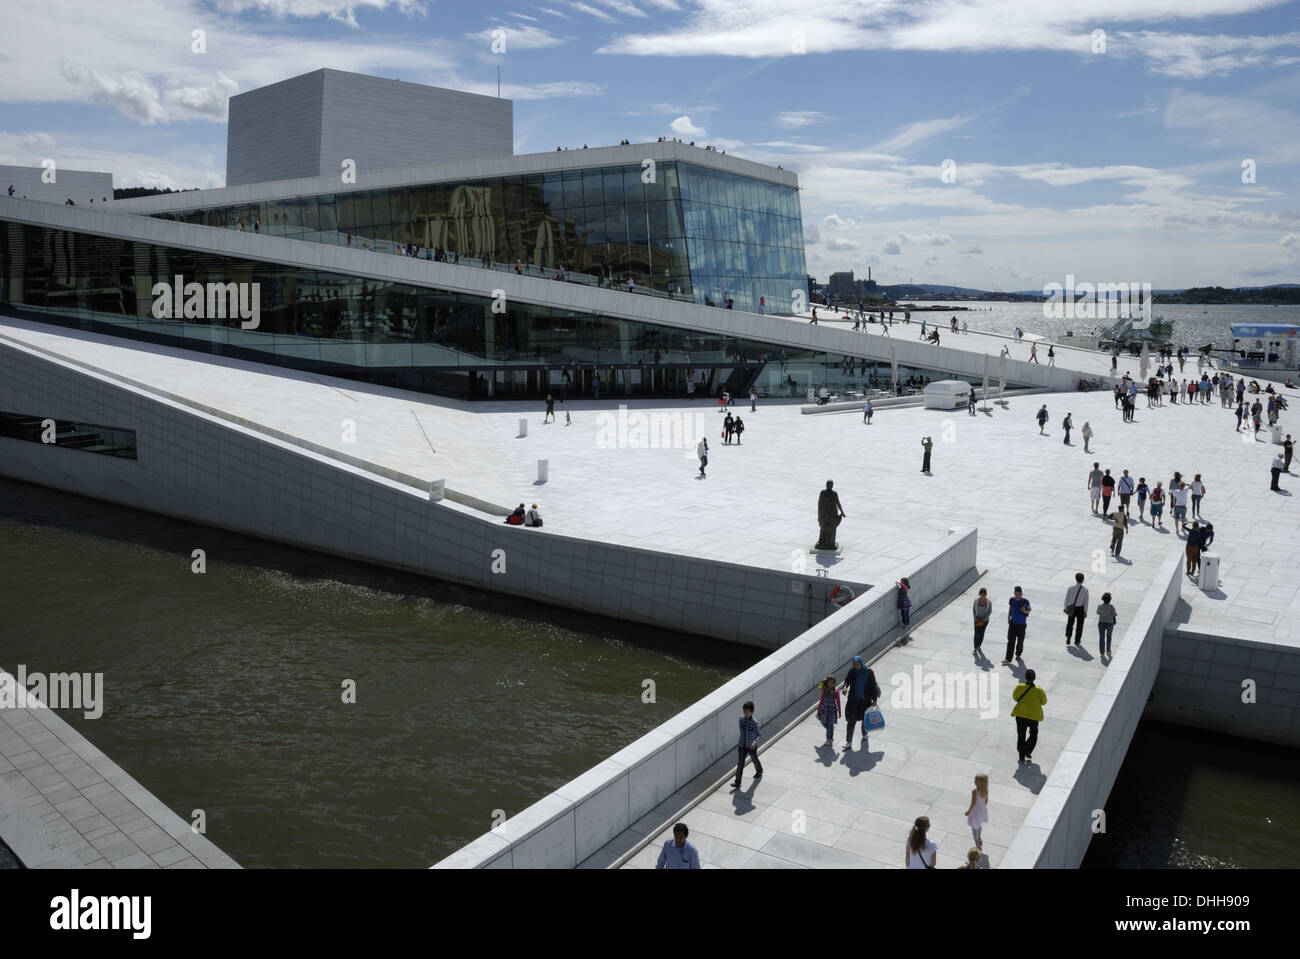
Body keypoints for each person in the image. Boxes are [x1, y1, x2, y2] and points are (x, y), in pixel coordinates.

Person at [841, 655, 880, 748]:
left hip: (865, 700)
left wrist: (874, 699)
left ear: (861, 663)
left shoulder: (869, 672)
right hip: (853, 701)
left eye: (858, 664)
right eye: (855, 664)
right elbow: (847, 681)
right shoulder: (852, 671)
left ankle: (865, 734)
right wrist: (845, 687)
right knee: (851, 721)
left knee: (864, 719)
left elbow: (873, 686)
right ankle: (849, 741)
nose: (856, 666)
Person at [1011, 669, 1047, 764]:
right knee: (1033, 734)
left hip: (1020, 716)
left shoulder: (1019, 687)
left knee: (1021, 735)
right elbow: (1044, 702)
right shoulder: (1039, 690)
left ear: (1025, 677)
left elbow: (1015, 698)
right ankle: (1027, 749)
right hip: (1033, 717)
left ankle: (1021, 756)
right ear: (1034, 678)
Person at [732, 701, 762, 789]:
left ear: (752, 711)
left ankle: (759, 770)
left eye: (747, 712)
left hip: (751, 746)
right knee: (740, 763)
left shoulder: (755, 722)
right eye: (744, 711)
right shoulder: (741, 719)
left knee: (754, 759)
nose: (745, 713)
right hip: (742, 745)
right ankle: (737, 782)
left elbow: (759, 734)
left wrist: (754, 743)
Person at [1002, 587, 1031, 665]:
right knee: (1011, 641)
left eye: (1018, 594)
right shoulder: (1012, 600)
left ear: (1021, 594)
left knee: (1020, 641)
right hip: (1013, 624)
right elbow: (1010, 608)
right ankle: (1008, 658)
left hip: (1021, 625)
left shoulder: (1025, 601)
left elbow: (1029, 609)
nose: (1017, 595)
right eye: (1016, 593)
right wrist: (1008, 617)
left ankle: (1018, 654)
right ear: (1014, 593)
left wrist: (1024, 610)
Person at [964, 773, 989, 851]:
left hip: (975, 812)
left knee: (974, 828)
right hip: (982, 811)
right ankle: (980, 838)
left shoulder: (975, 791)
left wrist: (968, 811)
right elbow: (986, 800)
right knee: (979, 825)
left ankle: (977, 843)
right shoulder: (985, 790)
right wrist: (983, 807)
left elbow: (973, 803)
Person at [1064, 573, 1089, 646]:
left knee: (1070, 623)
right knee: (1080, 625)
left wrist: (1065, 608)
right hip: (1080, 609)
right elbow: (1086, 602)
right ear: (1083, 580)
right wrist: (1085, 611)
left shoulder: (1070, 588)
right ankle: (1077, 640)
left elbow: (1066, 599)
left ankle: (1068, 636)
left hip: (1072, 608)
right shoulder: (1085, 590)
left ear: (1076, 579)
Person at [816, 677, 841, 747]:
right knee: (823, 722)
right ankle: (830, 729)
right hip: (825, 709)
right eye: (829, 683)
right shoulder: (825, 690)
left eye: (832, 683)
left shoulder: (836, 691)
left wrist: (839, 712)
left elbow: (838, 702)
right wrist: (818, 709)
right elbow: (821, 700)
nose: (830, 684)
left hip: (832, 710)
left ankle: (829, 739)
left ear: (834, 683)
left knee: (829, 725)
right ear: (827, 683)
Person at [972, 587, 992, 656]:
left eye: (984, 594)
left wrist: (984, 619)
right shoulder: (976, 600)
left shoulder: (988, 602)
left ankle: (979, 646)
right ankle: (975, 648)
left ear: (985, 594)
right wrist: (975, 618)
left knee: (981, 633)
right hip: (977, 619)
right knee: (976, 634)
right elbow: (974, 610)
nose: (982, 595)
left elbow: (989, 611)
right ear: (980, 593)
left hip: (984, 620)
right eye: (981, 593)